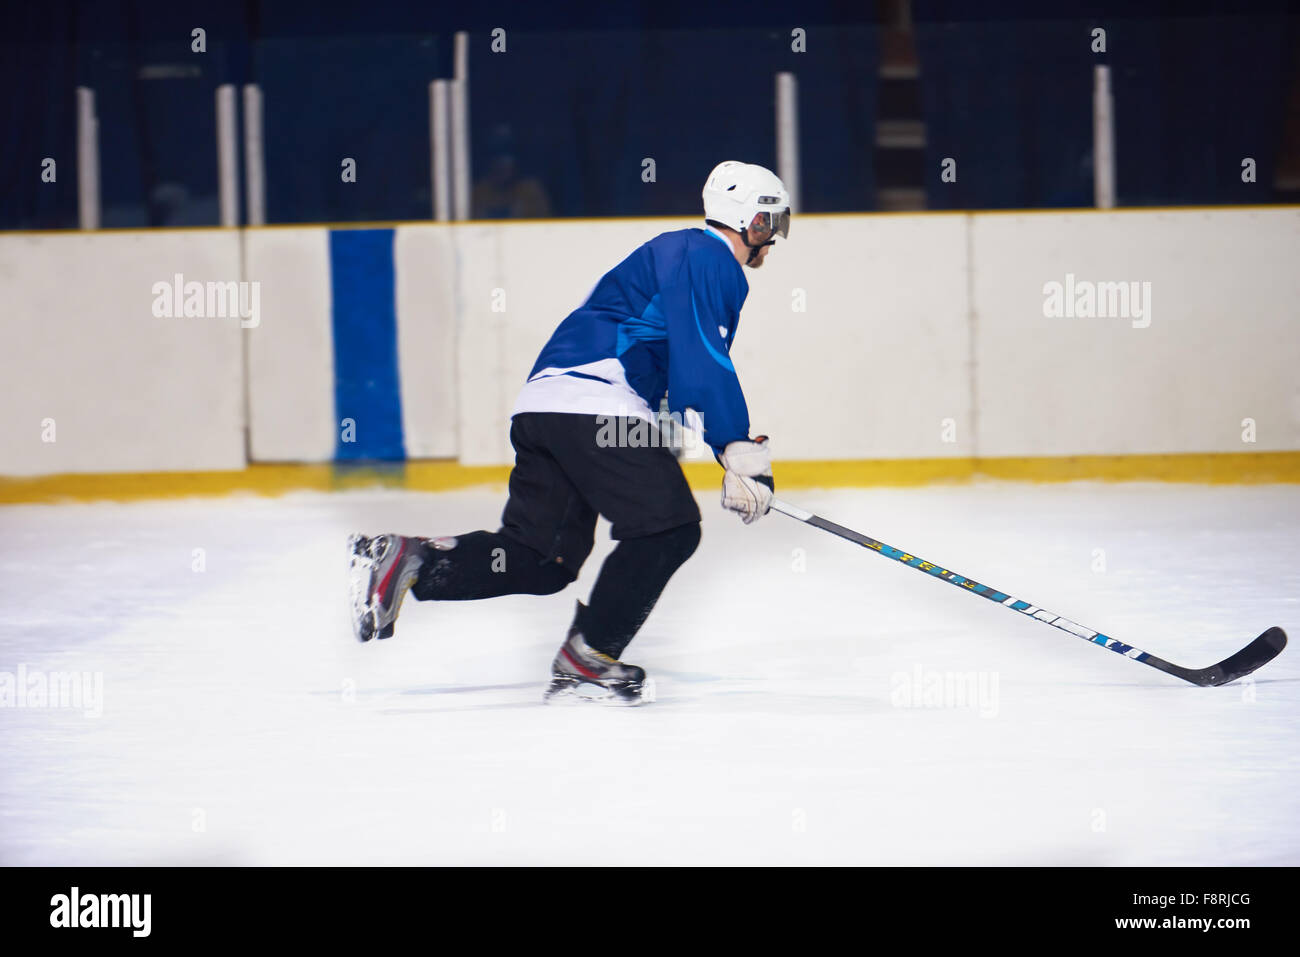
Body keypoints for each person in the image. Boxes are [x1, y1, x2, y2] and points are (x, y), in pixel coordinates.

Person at [347, 161, 791, 706]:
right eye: (772, 223)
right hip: (597, 408)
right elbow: (704, 362)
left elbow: (675, 370)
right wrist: (738, 449)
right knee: (669, 529)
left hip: (545, 407)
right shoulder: (710, 259)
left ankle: (410, 558)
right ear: (749, 221)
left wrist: (695, 439)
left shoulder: (670, 254)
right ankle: (587, 664)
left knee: (541, 558)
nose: (774, 238)